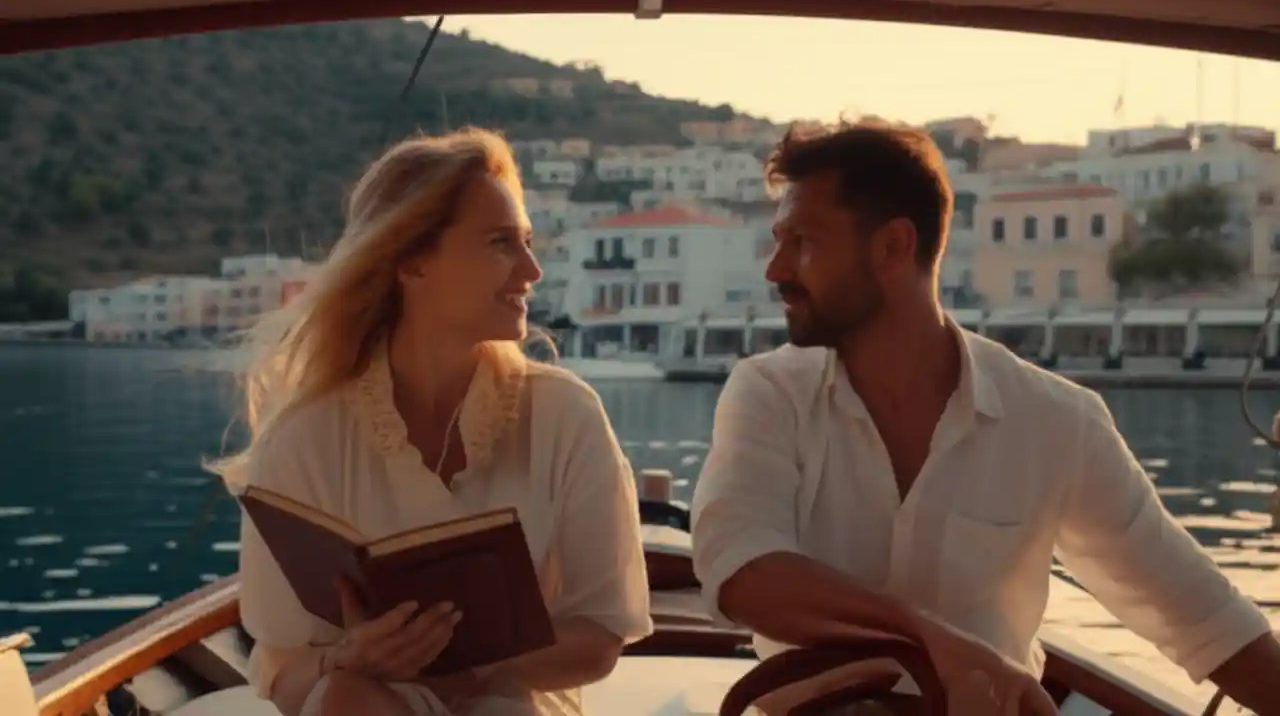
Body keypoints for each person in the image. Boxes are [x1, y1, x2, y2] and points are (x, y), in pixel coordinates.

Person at [690, 119, 1280, 715]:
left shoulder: (1057, 422)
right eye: (778, 241)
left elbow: (1206, 619)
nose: (776, 271)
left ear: (893, 246)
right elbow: (742, 572)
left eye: (803, 242)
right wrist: (938, 641)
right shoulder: (769, 392)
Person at [209, 127, 653, 716]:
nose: (532, 270)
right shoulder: (306, 437)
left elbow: (599, 641)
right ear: (412, 259)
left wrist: (471, 663)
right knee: (346, 696)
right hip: (363, 705)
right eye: (501, 243)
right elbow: (288, 679)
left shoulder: (565, 415)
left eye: (527, 242)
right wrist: (353, 657)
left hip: (514, 707)